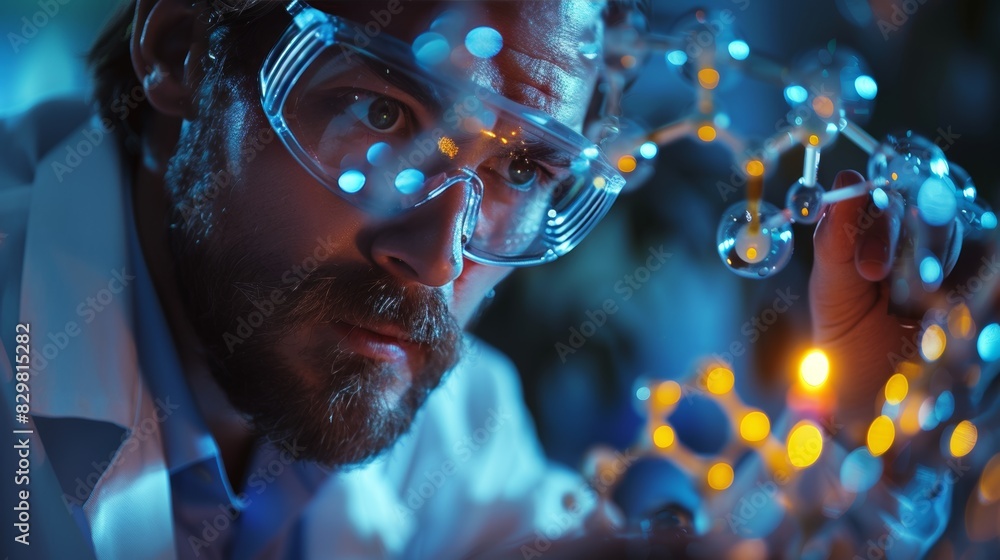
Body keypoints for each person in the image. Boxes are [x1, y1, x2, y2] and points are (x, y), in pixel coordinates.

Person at [0, 0, 954, 558]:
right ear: (182, 50)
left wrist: (851, 462)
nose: (441, 253)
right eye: (379, 112)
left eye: (523, 171)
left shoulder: (463, 428)